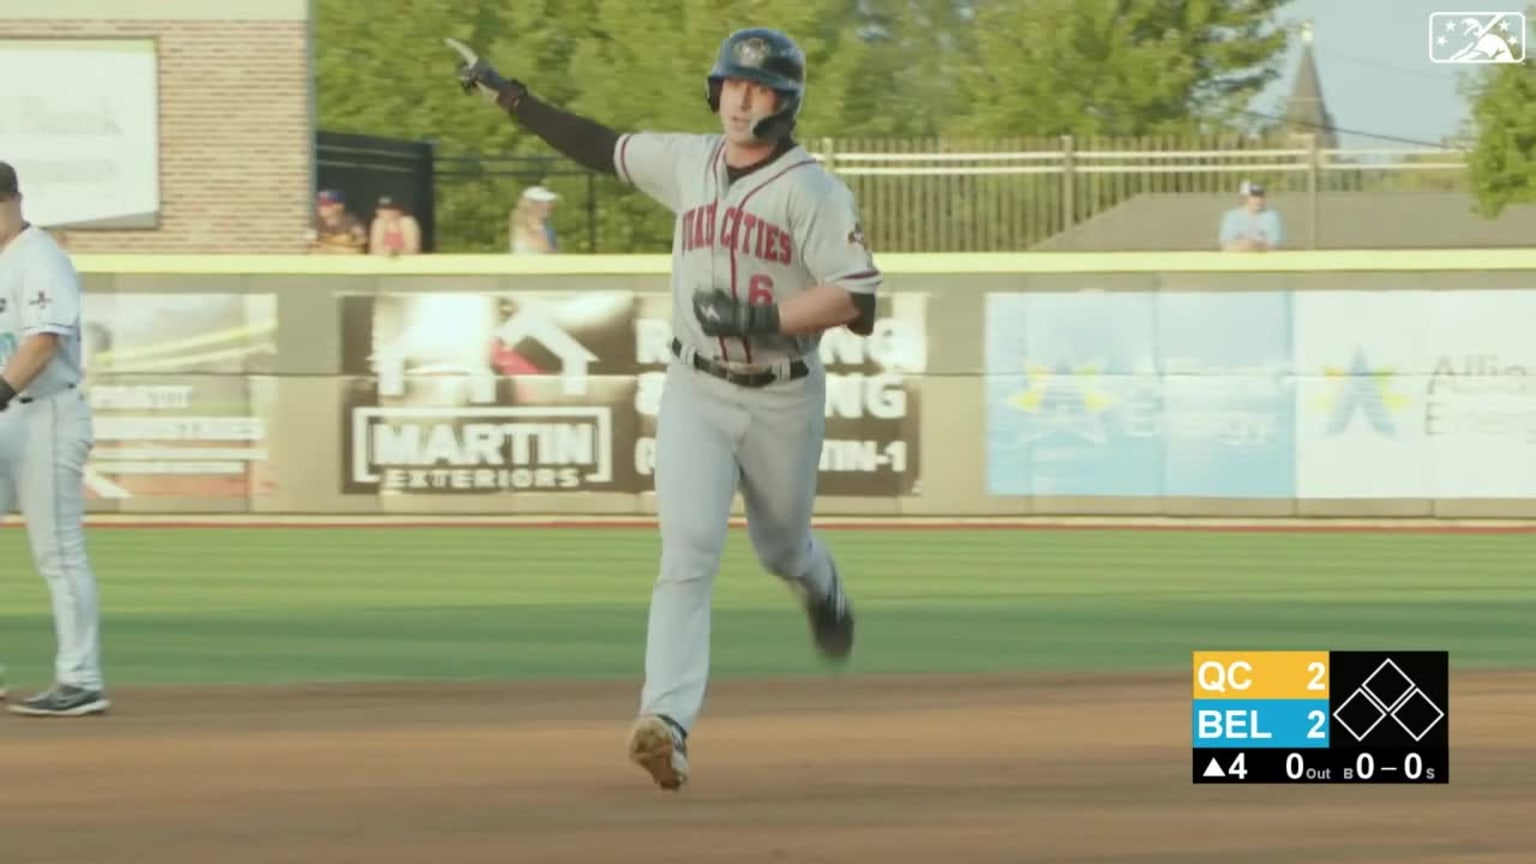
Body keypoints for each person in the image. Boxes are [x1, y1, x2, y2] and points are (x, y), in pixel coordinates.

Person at [449, 28, 874, 791]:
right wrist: (512, 97)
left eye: (760, 89)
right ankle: (665, 722)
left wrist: (765, 319)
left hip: (781, 396)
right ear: (718, 91)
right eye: (733, 86)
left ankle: (822, 585)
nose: (742, 100)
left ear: (785, 101)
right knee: (687, 554)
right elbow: (598, 146)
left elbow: (856, 297)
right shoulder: (687, 160)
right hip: (695, 391)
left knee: (782, 550)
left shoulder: (813, 189)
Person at [0, 161, 109, 717]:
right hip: (8, 416)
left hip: (47, 413)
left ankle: (80, 679)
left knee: (58, 553)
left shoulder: (38, 257)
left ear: (11, 201)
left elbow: (42, 344)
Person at [1219, 180, 1283, 251]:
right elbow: (1225, 246)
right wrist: (1243, 247)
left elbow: (1274, 246)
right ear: (1244, 198)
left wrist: (1255, 246)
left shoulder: (1272, 217)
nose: (1258, 200)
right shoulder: (1231, 217)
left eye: (1261, 197)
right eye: (1254, 197)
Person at [310, 189, 367, 254]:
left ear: (340, 206)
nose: (322, 207)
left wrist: (334, 242)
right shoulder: (317, 221)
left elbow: (362, 241)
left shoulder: (351, 221)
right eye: (319, 204)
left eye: (326, 204)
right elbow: (311, 242)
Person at [509, 185, 559, 255]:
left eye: (549, 202)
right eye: (542, 202)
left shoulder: (548, 229)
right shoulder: (521, 227)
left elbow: (553, 253)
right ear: (530, 205)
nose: (548, 205)